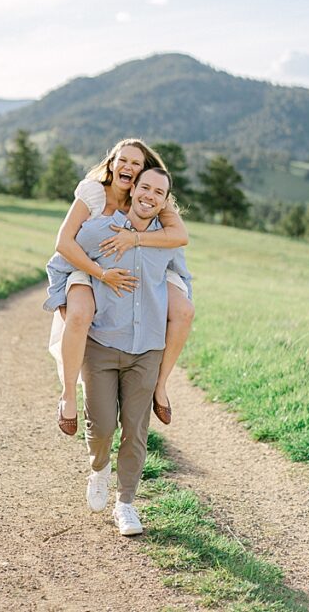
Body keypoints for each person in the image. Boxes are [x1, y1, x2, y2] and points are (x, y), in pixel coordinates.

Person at [42, 139, 195, 435]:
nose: (128, 166)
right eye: (122, 160)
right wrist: (101, 274)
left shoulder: (150, 194)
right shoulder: (93, 193)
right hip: (86, 262)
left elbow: (180, 236)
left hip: (146, 260)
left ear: (142, 171)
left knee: (184, 311)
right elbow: (64, 243)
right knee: (79, 314)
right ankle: (68, 395)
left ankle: (161, 385)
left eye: (136, 163)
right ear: (111, 163)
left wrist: (134, 239)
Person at [67, 166, 185, 535]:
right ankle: (99, 469)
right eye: (145, 187)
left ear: (165, 202)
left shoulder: (167, 241)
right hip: (102, 344)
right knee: (102, 426)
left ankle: (126, 504)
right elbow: (63, 259)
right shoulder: (98, 231)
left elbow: (183, 279)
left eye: (159, 192)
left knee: (135, 430)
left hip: (146, 348)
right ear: (132, 190)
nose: (150, 196)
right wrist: (69, 303)